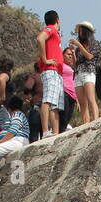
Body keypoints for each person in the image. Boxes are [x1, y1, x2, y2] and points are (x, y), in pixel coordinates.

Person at [36, 10, 64, 138]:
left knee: (55, 105)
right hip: (50, 70)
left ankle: (55, 133)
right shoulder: (51, 29)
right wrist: (45, 59)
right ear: (57, 20)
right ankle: (45, 131)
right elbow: (40, 38)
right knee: (48, 100)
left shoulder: (55, 33)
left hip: (57, 72)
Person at [70, 22, 101, 125]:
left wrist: (78, 45)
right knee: (83, 103)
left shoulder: (95, 43)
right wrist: (74, 53)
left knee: (91, 98)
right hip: (78, 74)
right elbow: (75, 65)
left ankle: (95, 120)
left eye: (81, 31)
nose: (79, 33)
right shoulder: (79, 48)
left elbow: (89, 57)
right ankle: (85, 123)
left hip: (89, 72)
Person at [59, 47, 78, 132]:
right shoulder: (60, 65)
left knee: (67, 118)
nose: (70, 56)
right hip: (65, 93)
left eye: (71, 54)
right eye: (68, 54)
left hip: (73, 95)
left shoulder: (71, 68)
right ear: (63, 55)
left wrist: (77, 99)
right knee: (63, 117)